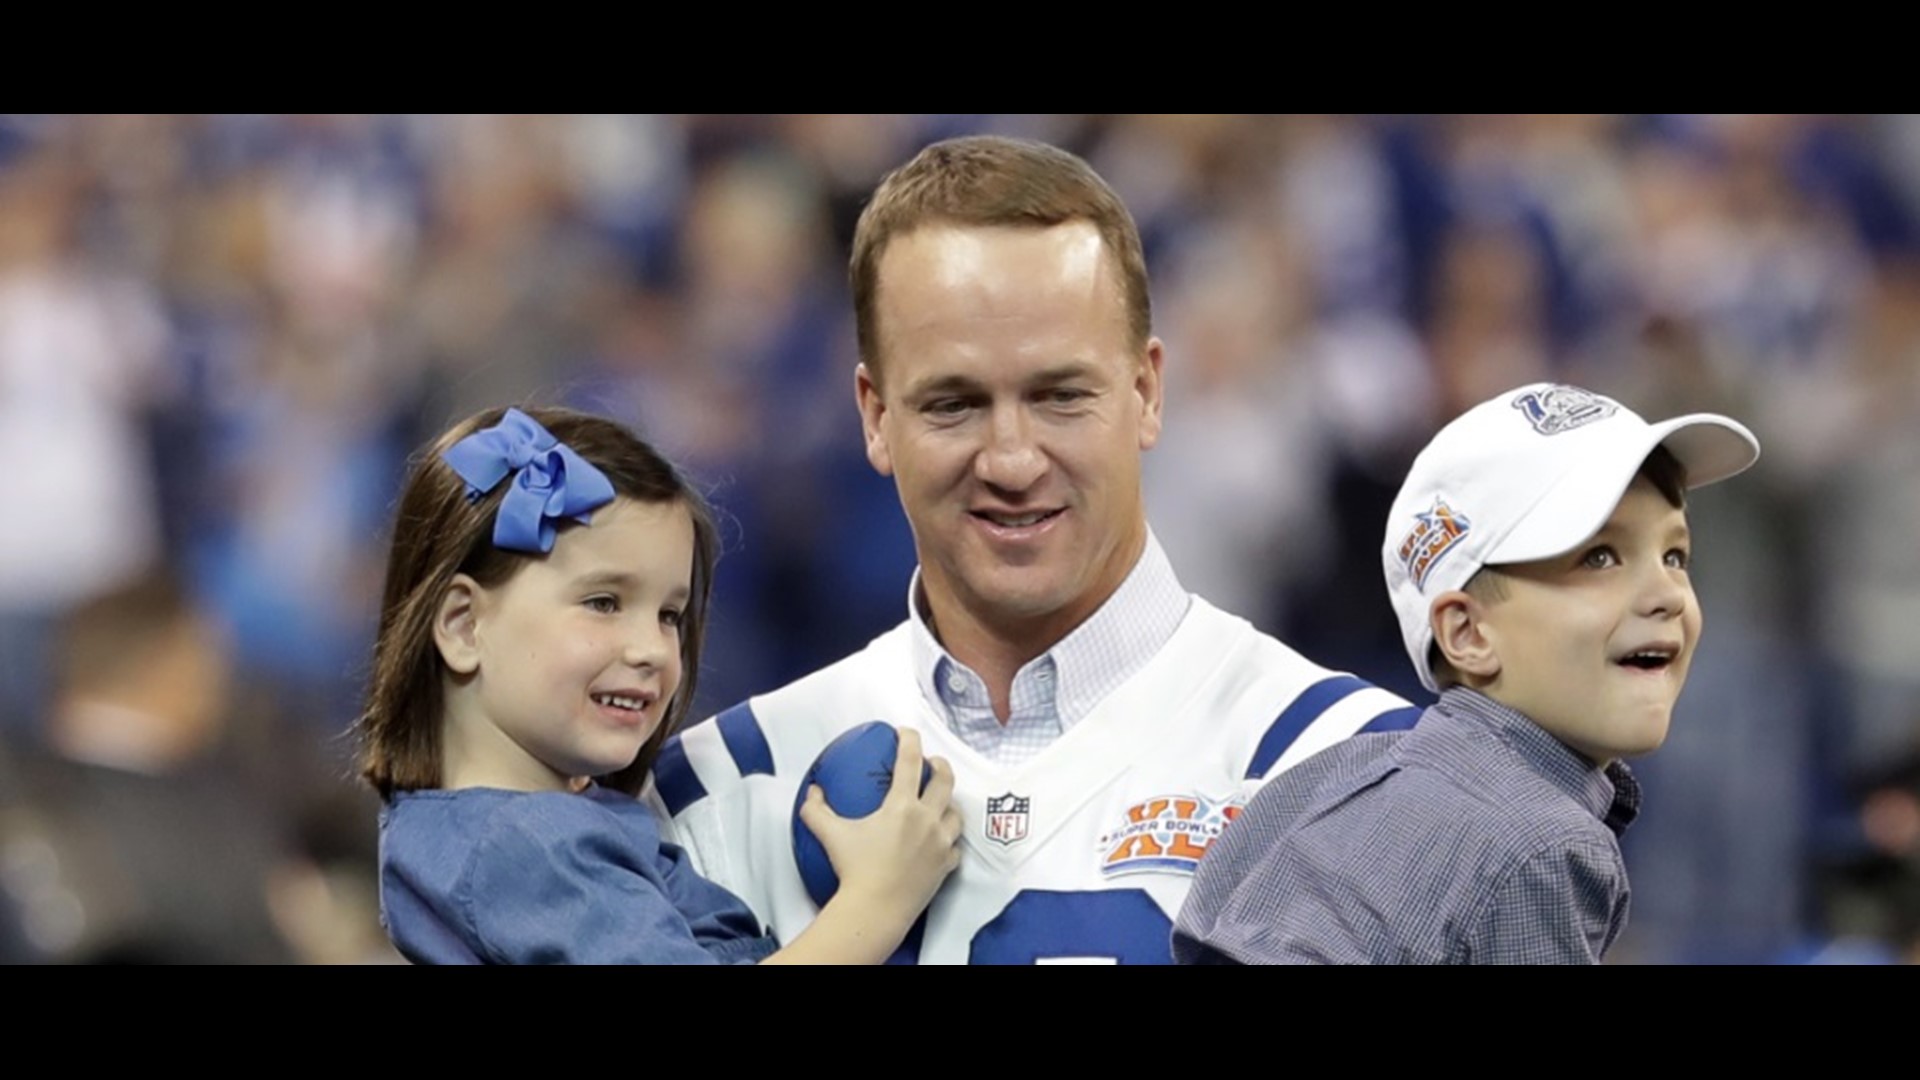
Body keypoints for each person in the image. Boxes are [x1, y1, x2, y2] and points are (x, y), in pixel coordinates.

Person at [648, 135, 1418, 964]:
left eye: (1059, 396)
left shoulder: (1349, 769)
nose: (1012, 461)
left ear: (1147, 391)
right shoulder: (721, 789)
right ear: (875, 415)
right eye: (953, 404)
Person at [1172, 382, 1762, 964]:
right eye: (1599, 557)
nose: (1667, 594)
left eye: (1674, 555)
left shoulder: (1327, 777)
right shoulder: (1544, 841)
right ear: (1468, 633)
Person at [356, 405, 960, 964]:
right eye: (602, 602)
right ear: (464, 626)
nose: (651, 650)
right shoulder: (525, 850)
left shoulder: (471, 833)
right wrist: (877, 901)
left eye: (669, 615)